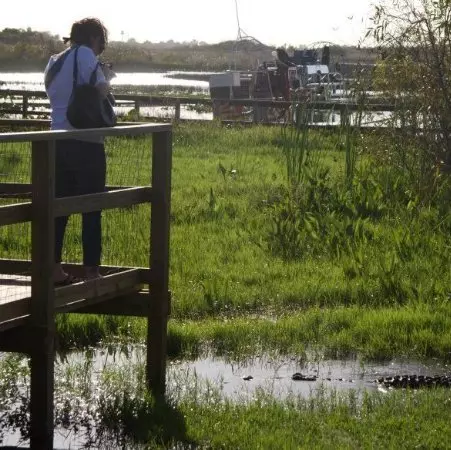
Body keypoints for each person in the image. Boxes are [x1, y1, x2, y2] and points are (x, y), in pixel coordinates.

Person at [44, 17, 111, 285]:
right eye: (100, 41)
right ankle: (92, 271)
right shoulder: (85, 54)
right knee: (92, 207)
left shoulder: (54, 61)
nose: (99, 47)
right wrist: (107, 77)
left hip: (56, 141)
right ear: (94, 38)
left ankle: (53, 268)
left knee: (59, 208)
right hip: (86, 142)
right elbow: (100, 91)